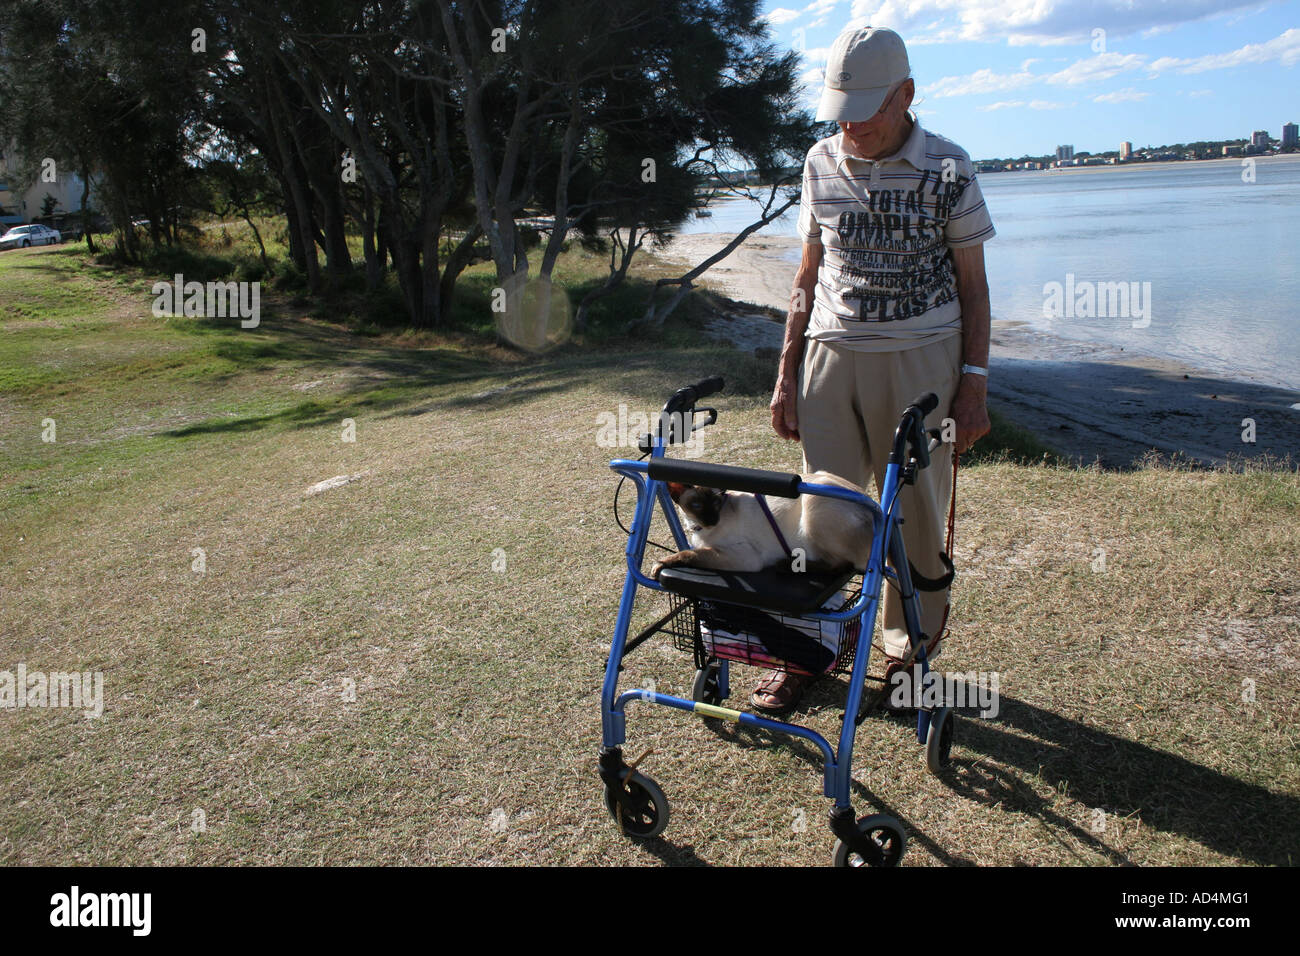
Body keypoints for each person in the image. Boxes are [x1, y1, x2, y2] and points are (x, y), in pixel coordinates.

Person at [753, 25, 995, 713]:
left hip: (922, 360)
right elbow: (807, 272)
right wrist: (786, 372)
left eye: (865, 106)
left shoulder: (950, 165)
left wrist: (974, 382)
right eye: (841, 107)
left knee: (915, 515)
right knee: (822, 514)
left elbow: (974, 286)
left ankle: (905, 653)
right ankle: (810, 649)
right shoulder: (819, 161)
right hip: (831, 354)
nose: (849, 122)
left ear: (907, 94)